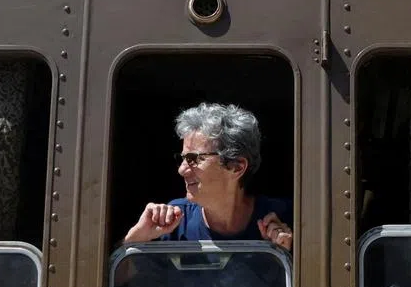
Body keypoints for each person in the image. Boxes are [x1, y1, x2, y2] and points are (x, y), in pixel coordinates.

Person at [124, 102, 293, 248]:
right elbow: (122, 282)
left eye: (193, 159)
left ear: (236, 167)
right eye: (182, 158)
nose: (181, 170)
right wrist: (137, 239)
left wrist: (285, 252)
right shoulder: (173, 221)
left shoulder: (283, 218)